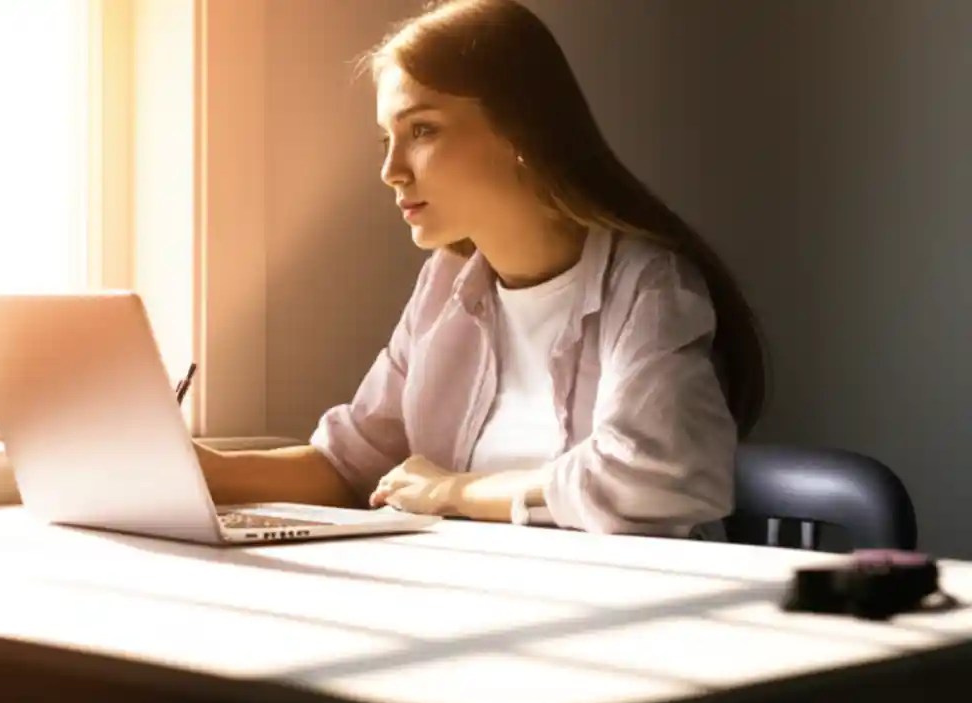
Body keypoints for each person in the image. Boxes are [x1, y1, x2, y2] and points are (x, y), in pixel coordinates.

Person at [194, 0, 765, 538]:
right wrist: (200, 468)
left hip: (627, 617)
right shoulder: (445, 285)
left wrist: (457, 492)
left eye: (422, 130)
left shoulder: (647, 285)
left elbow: (655, 477)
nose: (391, 170)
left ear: (521, 130)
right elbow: (349, 462)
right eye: (386, 140)